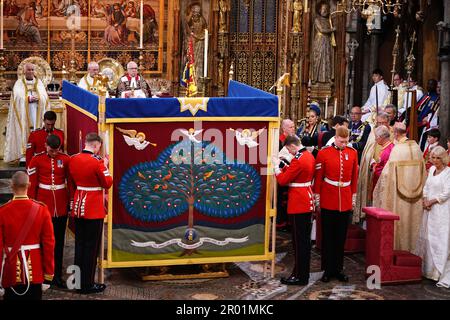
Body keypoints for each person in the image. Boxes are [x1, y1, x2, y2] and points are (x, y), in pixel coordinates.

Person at [68, 133, 113, 294]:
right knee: (90, 248)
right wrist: (105, 165)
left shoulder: (73, 159)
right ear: (96, 145)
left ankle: (77, 280)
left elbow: (72, 181)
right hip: (93, 207)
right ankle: (86, 284)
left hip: (78, 204)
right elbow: (107, 183)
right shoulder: (97, 162)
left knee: (79, 245)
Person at [0, 171, 55, 300]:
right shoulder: (41, 209)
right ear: (29, 185)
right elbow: (49, 244)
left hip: (11, 271)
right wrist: (48, 274)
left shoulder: (2, 212)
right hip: (35, 271)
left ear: (11, 185)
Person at [314, 126, 359, 282]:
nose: (344, 144)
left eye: (346, 141)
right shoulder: (324, 153)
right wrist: (317, 199)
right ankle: (327, 269)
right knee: (328, 237)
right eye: (341, 141)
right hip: (328, 198)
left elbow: (354, 178)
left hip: (345, 199)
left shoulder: (353, 153)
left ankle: (338, 269)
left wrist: (353, 198)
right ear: (336, 138)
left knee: (341, 238)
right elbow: (318, 178)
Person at [27, 135, 70, 289]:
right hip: (42, 206)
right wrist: (32, 204)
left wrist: (70, 203)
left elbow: (70, 182)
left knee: (58, 243)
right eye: (51, 151)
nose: (54, 153)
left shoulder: (65, 159)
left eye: (56, 150)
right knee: (42, 242)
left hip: (61, 206)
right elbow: (31, 185)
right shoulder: (36, 159)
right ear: (46, 146)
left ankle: (57, 276)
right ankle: (42, 275)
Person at [373, 133, 426, 252]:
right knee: (413, 223)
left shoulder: (397, 150)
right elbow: (424, 175)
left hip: (398, 197)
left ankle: (396, 248)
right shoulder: (417, 149)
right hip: (416, 196)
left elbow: (386, 175)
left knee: (400, 224)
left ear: (396, 135)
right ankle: (413, 250)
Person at [273, 135, 315, 285]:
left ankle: (300, 276)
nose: (290, 153)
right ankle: (302, 274)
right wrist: (284, 166)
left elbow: (284, 180)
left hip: (299, 203)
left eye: (289, 150)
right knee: (303, 242)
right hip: (306, 200)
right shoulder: (307, 155)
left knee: (299, 243)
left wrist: (276, 169)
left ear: (291, 146)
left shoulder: (299, 159)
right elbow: (295, 172)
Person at [415, 146, 450, 288]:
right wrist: (425, 200)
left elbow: (447, 192)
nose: (435, 160)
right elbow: (426, 187)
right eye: (433, 157)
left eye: (438, 158)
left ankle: (439, 272)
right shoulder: (431, 171)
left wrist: (432, 201)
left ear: (443, 159)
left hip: (441, 210)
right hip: (428, 210)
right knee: (428, 238)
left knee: (440, 239)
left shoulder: (448, 173)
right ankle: (428, 271)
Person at [4, 63, 50, 163]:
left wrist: (39, 98)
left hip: (37, 111)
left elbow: (45, 97)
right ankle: (23, 155)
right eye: (28, 70)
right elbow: (16, 97)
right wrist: (27, 99)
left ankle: (36, 152)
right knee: (24, 130)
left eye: (32, 70)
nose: (30, 72)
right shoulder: (19, 83)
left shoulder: (39, 83)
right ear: (24, 71)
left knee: (36, 130)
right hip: (24, 113)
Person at [353, 112, 391, 223]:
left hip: (384, 171)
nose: (380, 125)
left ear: (388, 122)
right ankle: (367, 217)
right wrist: (370, 160)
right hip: (371, 170)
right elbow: (367, 151)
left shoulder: (391, 133)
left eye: (382, 122)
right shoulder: (372, 133)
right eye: (378, 122)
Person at [277, 119, 296, 229]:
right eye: (290, 127)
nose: (293, 129)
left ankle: (289, 222)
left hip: (292, 173)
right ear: (284, 129)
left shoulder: (294, 140)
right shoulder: (279, 141)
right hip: (282, 174)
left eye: (293, 127)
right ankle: (281, 223)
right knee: (281, 199)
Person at [311, 2, 335, 84]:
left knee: (327, 58)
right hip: (320, 40)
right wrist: (331, 30)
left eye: (326, 9)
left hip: (327, 41)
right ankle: (315, 78)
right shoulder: (317, 20)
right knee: (319, 58)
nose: (325, 11)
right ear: (319, 10)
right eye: (323, 9)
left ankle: (328, 78)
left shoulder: (328, 20)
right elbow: (322, 30)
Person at [414, 79, 440, 150]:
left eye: (431, 84)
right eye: (428, 84)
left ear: (435, 86)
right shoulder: (425, 96)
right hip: (417, 122)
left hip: (426, 124)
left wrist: (427, 118)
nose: (429, 86)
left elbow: (434, 113)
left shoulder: (437, 98)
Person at [371, 125, 394, 191]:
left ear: (381, 137)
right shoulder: (389, 147)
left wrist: (373, 166)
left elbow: (384, 171)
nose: (375, 139)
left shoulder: (387, 152)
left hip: (383, 186)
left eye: (376, 137)